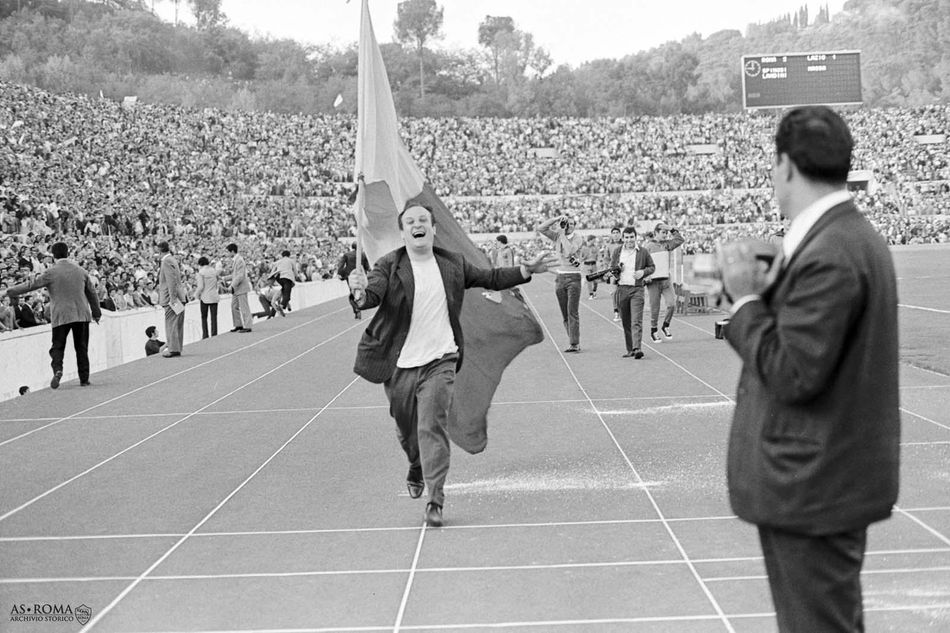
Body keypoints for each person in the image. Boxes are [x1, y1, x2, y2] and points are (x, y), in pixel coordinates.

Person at [719, 106, 900, 633]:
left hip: (813, 485)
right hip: (824, 482)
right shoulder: (842, 236)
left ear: (785, 166)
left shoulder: (831, 250)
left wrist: (746, 300)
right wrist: (772, 288)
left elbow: (794, 371)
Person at [348, 202, 556, 528]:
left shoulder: (453, 264)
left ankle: (435, 499)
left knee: (432, 424)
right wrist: (359, 294)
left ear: (432, 229)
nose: (418, 225)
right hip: (400, 363)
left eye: (423, 221)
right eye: (411, 222)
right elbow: (371, 295)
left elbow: (489, 277)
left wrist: (526, 271)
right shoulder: (389, 265)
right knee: (407, 432)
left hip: (440, 360)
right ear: (404, 232)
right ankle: (415, 464)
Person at [5, 241, 101, 388]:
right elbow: (92, 293)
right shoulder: (80, 270)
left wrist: (10, 291)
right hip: (81, 314)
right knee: (81, 347)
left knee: (57, 346)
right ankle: (84, 378)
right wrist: (96, 312)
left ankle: (58, 369)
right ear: (67, 253)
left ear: (53, 255)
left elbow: (31, 285)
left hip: (60, 315)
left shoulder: (51, 272)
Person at [536, 214, 585, 352]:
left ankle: (575, 343)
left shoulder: (578, 237)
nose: (568, 226)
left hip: (573, 277)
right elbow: (541, 228)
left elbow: (569, 251)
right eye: (566, 223)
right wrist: (556, 219)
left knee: (572, 312)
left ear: (575, 226)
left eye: (571, 224)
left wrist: (562, 233)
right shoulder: (557, 236)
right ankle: (572, 340)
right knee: (565, 314)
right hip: (560, 278)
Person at [609, 226, 654, 359]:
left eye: (631, 237)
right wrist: (616, 271)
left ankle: (637, 348)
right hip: (622, 289)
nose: (629, 240)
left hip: (637, 289)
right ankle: (630, 349)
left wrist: (643, 272)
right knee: (626, 321)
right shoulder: (617, 251)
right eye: (627, 237)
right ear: (623, 238)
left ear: (636, 237)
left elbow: (652, 267)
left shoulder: (643, 252)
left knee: (636, 320)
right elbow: (612, 268)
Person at [643, 222, 685, 342]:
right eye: (663, 232)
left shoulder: (667, 244)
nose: (665, 235)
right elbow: (642, 263)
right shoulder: (648, 246)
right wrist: (645, 276)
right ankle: (654, 330)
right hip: (653, 282)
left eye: (666, 233)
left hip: (666, 280)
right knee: (655, 308)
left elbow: (680, 239)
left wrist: (671, 229)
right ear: (656, 233)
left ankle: (665, 325)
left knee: (671, 304)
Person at [156, 241, 186, 358]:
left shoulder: (166, 261)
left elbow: (170, 281)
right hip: (177, 296)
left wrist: (172, 298)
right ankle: (177, 347)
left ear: (160, 250)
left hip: (171, 298)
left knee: (171, 323)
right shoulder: (172, 259)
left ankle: (173, 349)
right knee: (177, 324)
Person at [336, 243, 370, 320]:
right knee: (360, 292)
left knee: (352, 292)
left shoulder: (347, 255)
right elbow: (367, 266)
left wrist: (340, 274)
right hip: (360, 275)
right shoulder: (363, 254)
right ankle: (359, 306)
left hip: (350, 276)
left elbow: (341, 265)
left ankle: (356, 308)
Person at [225, 243, 252, 333]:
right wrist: (224, 278)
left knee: (244, 307)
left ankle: (248, 326)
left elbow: (240, 276)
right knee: (234, 306)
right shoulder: (236, 260)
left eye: (228, 252)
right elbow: (235, 275)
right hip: (237, 288)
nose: (227, 254)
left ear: (232, 251)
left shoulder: (239, 260)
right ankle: (238, 324)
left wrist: (232, 285)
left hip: (241, 287)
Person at [195, 255, 220, 339]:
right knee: (214, 317)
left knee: (204, 317)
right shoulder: (213, 271)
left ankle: (205, 335)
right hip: (214, 295)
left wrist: (196, 295)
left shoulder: (200, 272)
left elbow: (200, 286)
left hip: (204, 297)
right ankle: (214, 334)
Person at [601, 226, 623, 321]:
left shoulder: (625, 243)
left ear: (620, 234)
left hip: (625, 271)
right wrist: (605, 271)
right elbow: (606, 259)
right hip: (613, 271)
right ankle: (616, 312)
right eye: (613, 233)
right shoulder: (608, 246)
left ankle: (624, 311)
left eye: (617, 232)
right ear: (611, 234)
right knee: (614, 292)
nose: (615, 234)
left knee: (624, 292)